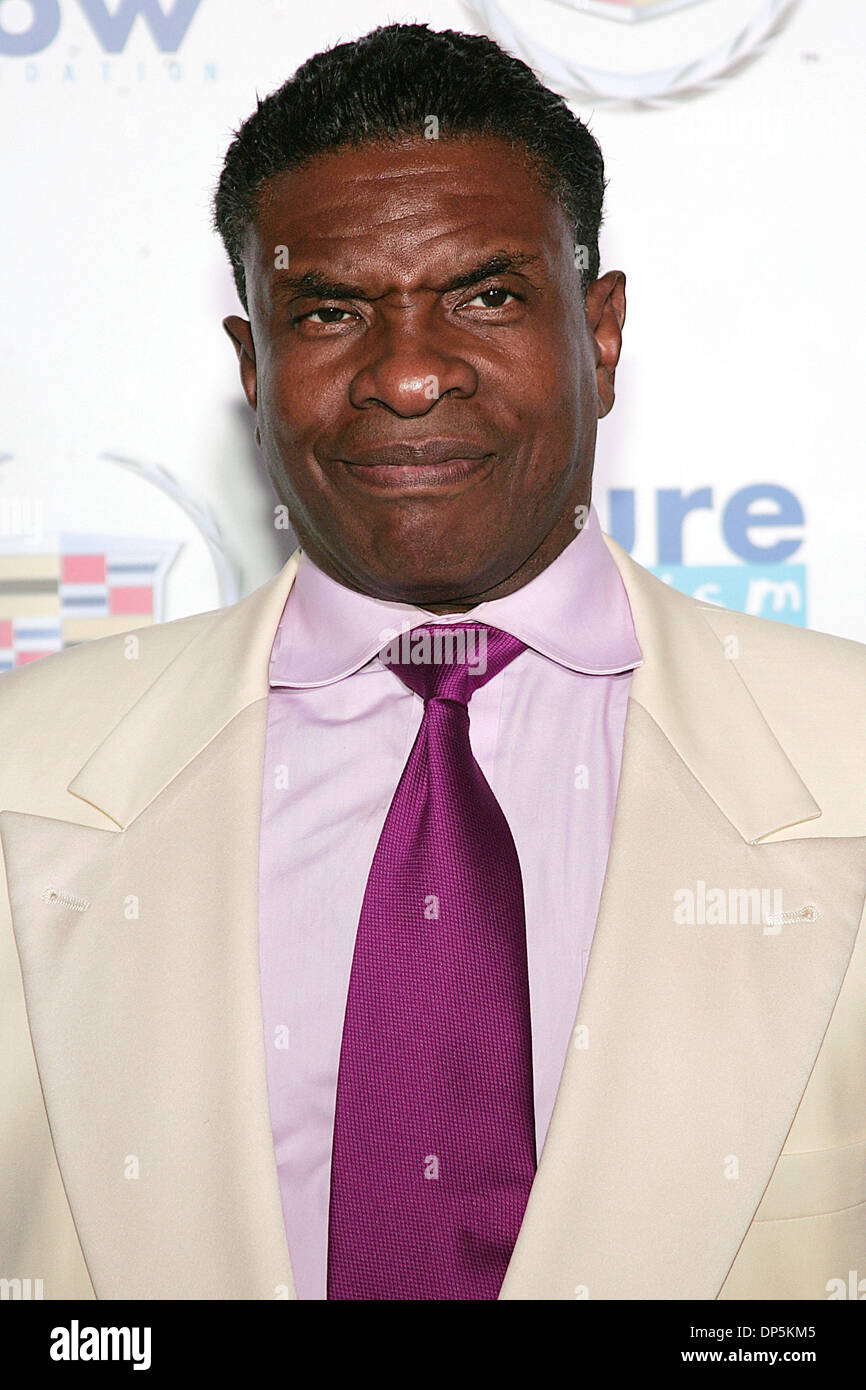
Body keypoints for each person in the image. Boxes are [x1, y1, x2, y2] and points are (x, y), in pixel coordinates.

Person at [1, 22, 864, 1302]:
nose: (406, 374)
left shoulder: (842, 754)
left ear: (603, 333)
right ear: (253, 367)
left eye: (485, 294)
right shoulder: (29, 771)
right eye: (333, 309)